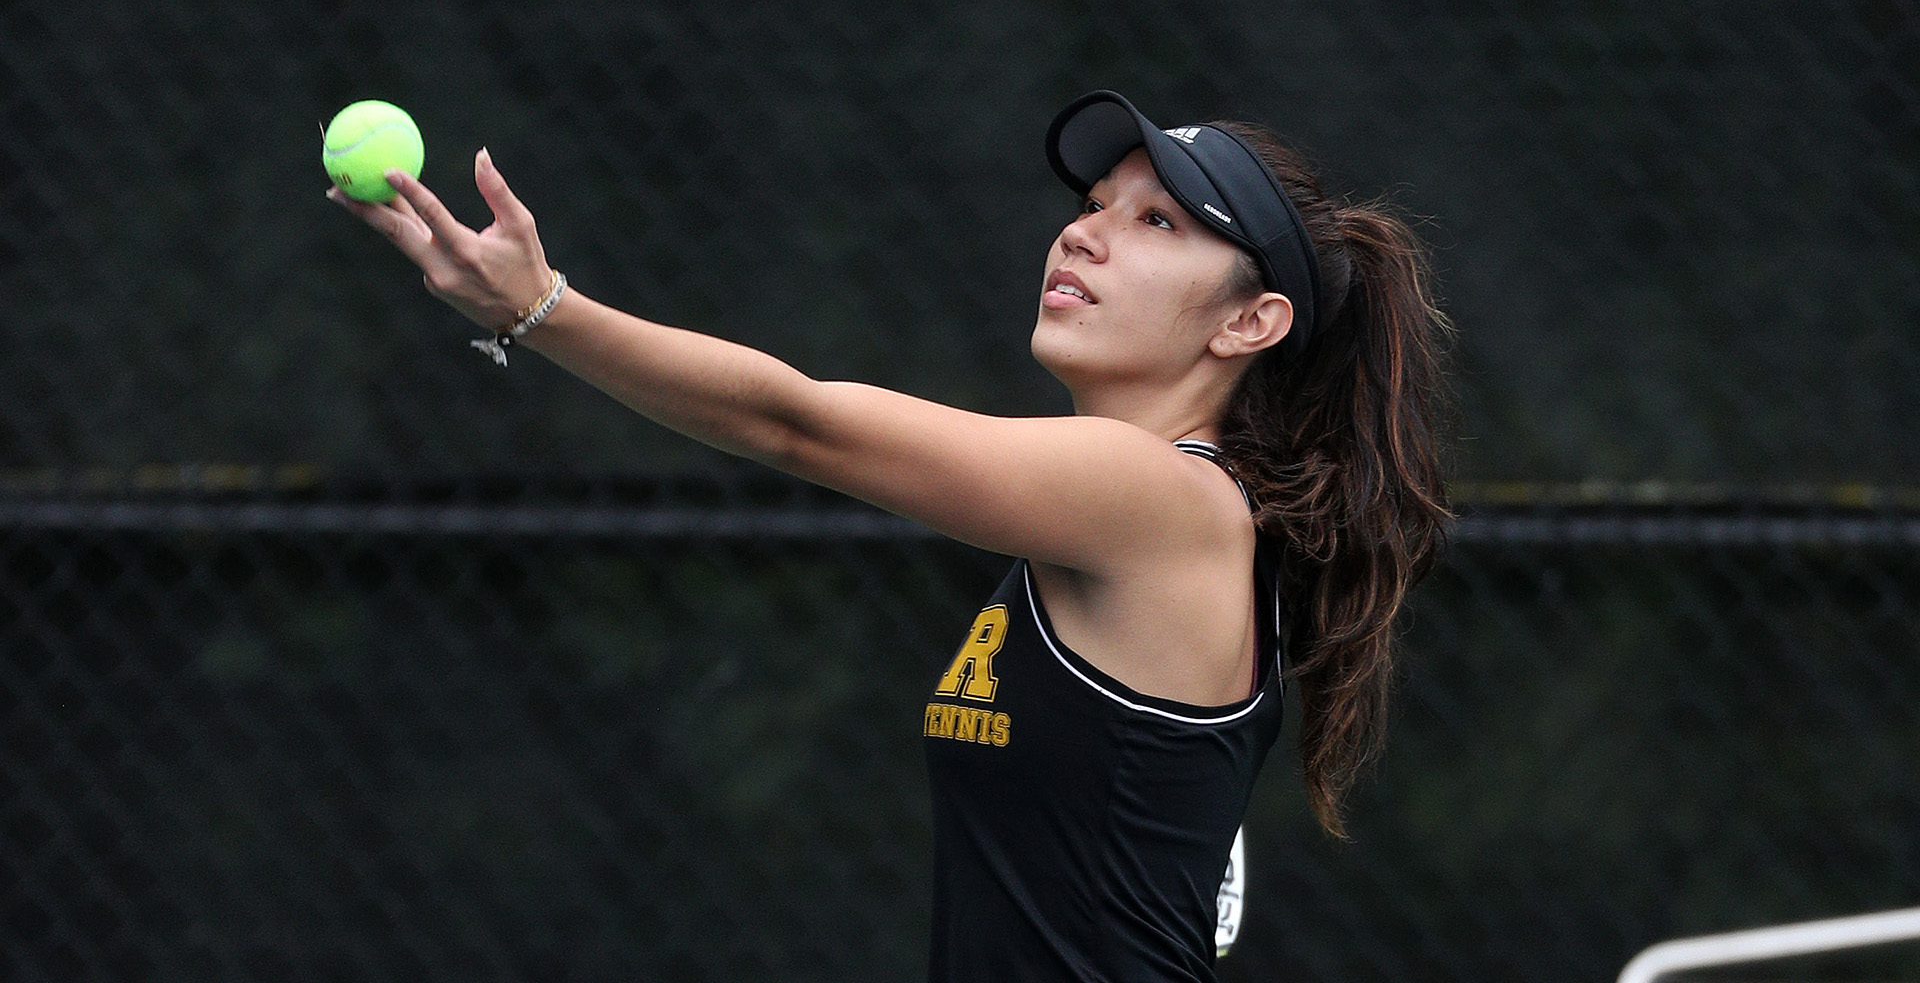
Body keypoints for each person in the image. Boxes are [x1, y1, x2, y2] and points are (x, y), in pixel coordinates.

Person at [329, 90, 1452, 983]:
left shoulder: (1166, 502)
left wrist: (540, 308)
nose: (1086, 232)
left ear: (1249, 323)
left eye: (1155, 220)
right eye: (1097, 202)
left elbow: (794, 421)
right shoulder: (1133, 520)